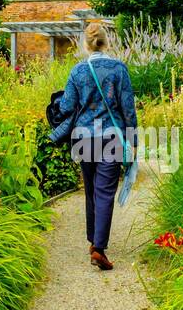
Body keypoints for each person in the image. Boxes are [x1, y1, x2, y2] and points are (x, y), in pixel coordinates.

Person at [48, 21, 137, 270]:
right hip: (111, 137)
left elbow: (66, 107)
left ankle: (93, 241)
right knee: (105, 191)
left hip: (84, 137)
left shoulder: (78, 71)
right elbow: (128, 109)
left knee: (91, 190)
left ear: (85, 44)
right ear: (106, 42)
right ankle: (98, 248)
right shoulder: (119, 69)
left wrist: (57, 104)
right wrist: (134, 141)